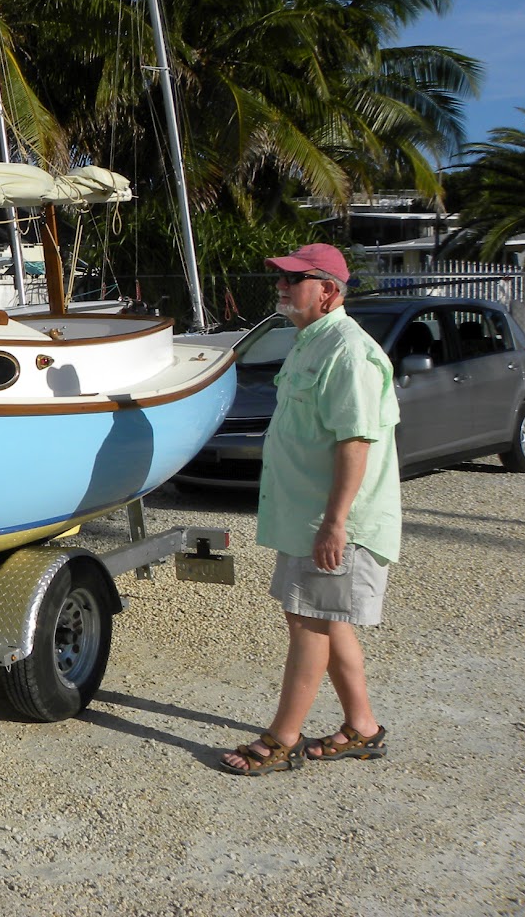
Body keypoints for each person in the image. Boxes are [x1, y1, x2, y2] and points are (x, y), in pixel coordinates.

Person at [219, 243, 401, 776]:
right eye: (279, 277)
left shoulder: (347, 351)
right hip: (308, 520)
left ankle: (282, 738)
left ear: (329, 291)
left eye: (294, 279)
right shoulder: (308, 342)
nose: (280, 286)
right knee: (326, 619)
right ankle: (362, 727)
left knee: (309, 623)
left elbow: (355, 442)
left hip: (333, 523)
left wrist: (336, 523)